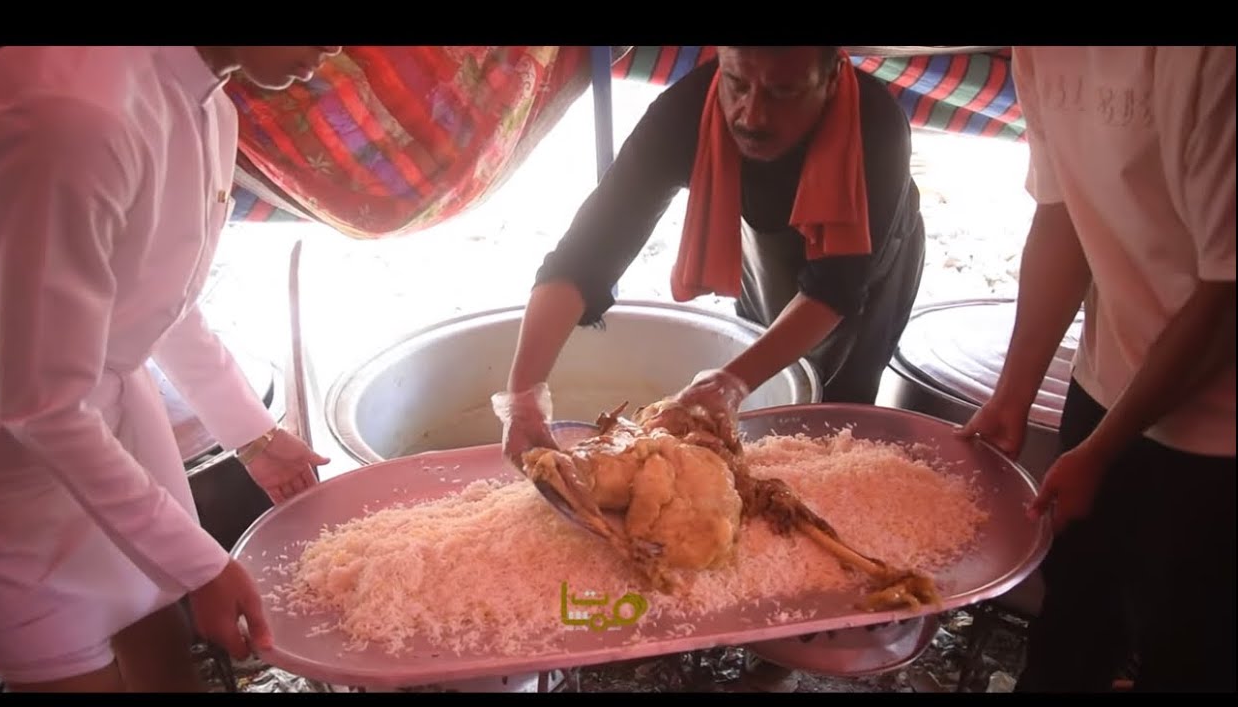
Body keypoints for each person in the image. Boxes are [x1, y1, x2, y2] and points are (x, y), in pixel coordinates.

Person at [0, 45, 341, 692]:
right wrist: (203, 566)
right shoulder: (75, 117)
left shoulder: (208, 102)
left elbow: (159, 299)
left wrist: (251, 433)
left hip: (105, 433)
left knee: (164, 658)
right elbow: (38, 407)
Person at [956, 46, 1235, 692]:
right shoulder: (1042, 54)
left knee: (1189, 643)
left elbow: (1226, 295)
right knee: (1075, 608)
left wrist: (1105, 449)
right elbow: (1062, 217)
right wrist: (1013, 392)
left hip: (1220, 437)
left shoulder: (1209, 62)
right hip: (1105, 384)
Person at [496, 45, 925, 461]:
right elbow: (585, 253)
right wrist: (522, 399)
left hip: (867, 271)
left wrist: (732, 382)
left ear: (830, 79)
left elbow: (836, 290)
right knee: (762, 368)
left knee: (836, 409)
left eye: (783, 93)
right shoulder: (684, 112)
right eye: (737, 83)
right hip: (767, 256)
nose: (752, 115)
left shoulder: (876, 127)